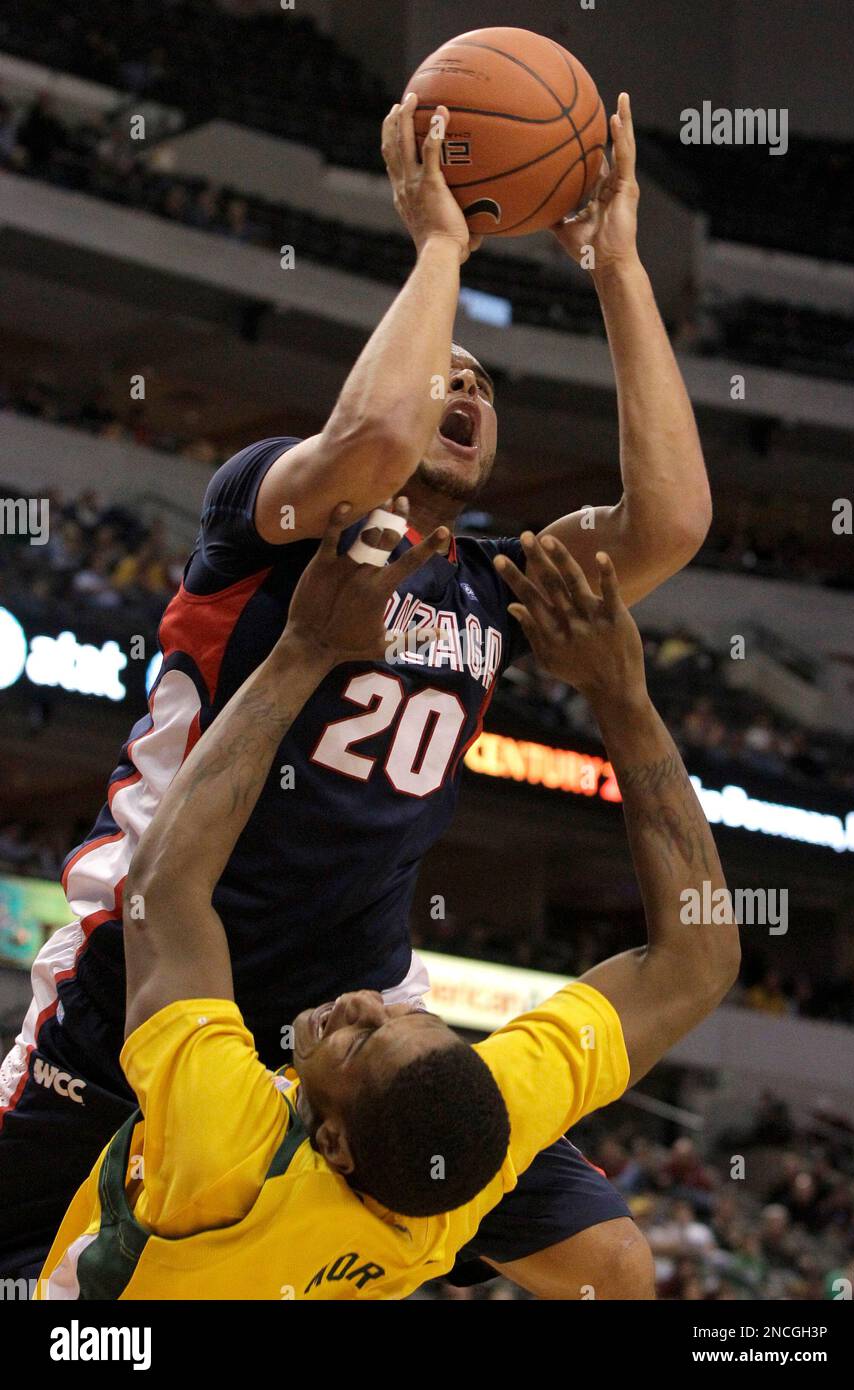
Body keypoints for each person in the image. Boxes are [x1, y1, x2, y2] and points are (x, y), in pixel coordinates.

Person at [2, 93, 711, 1297]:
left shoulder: (492, 588)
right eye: (445, 370)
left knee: (610, 1264)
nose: (465, 393)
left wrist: (621, 269)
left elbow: (671, 522)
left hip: (363, 1011)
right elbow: (374, 438)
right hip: (155, 957)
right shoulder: (264, 513)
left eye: (486, 388)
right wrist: (442, 244)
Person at [37, 522, 739, 1300]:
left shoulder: (223, 1153)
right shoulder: (463, 1161)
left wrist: (305, 647)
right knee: (615, 1265)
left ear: (329, 1144)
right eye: (409, 1017)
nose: (367, 1001)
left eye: (359, 1037)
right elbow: (696, 961)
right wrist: (624, 697)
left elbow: (161, 890)